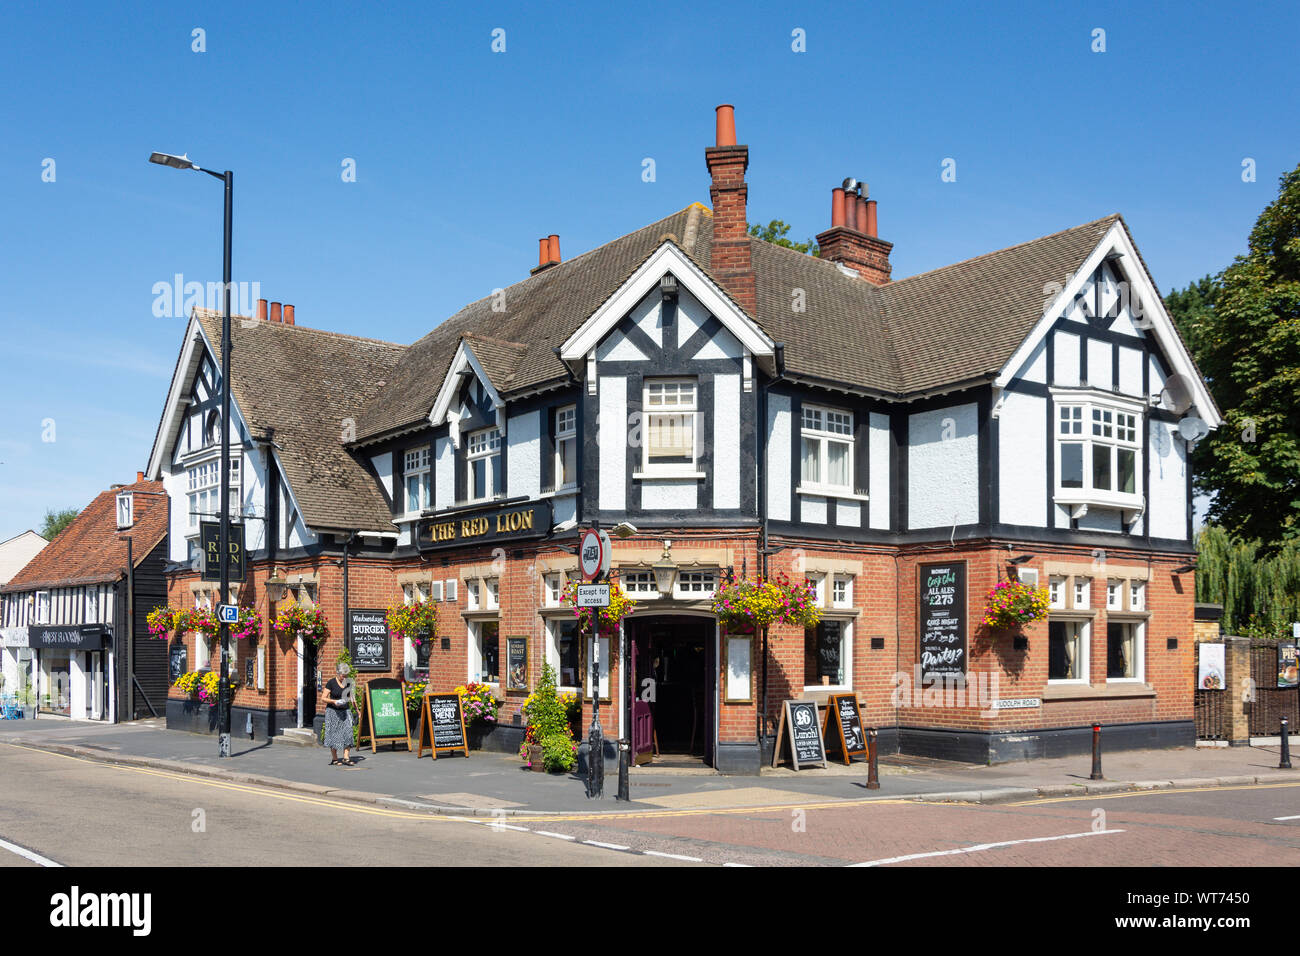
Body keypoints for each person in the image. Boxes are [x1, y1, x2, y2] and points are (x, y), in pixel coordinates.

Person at [323, 663, 355, 766]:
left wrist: (358, 710)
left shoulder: (349, 682)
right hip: (333, 711)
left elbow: (352, 698)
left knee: (348, 732)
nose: (344, 677)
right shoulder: (331, 683)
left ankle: (346, 757)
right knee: (334, 734)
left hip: (345, 711)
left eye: (346, 675)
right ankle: (335, 758)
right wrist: (333, 701)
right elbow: (323, 698)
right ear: (338, 673)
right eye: (343, 675)